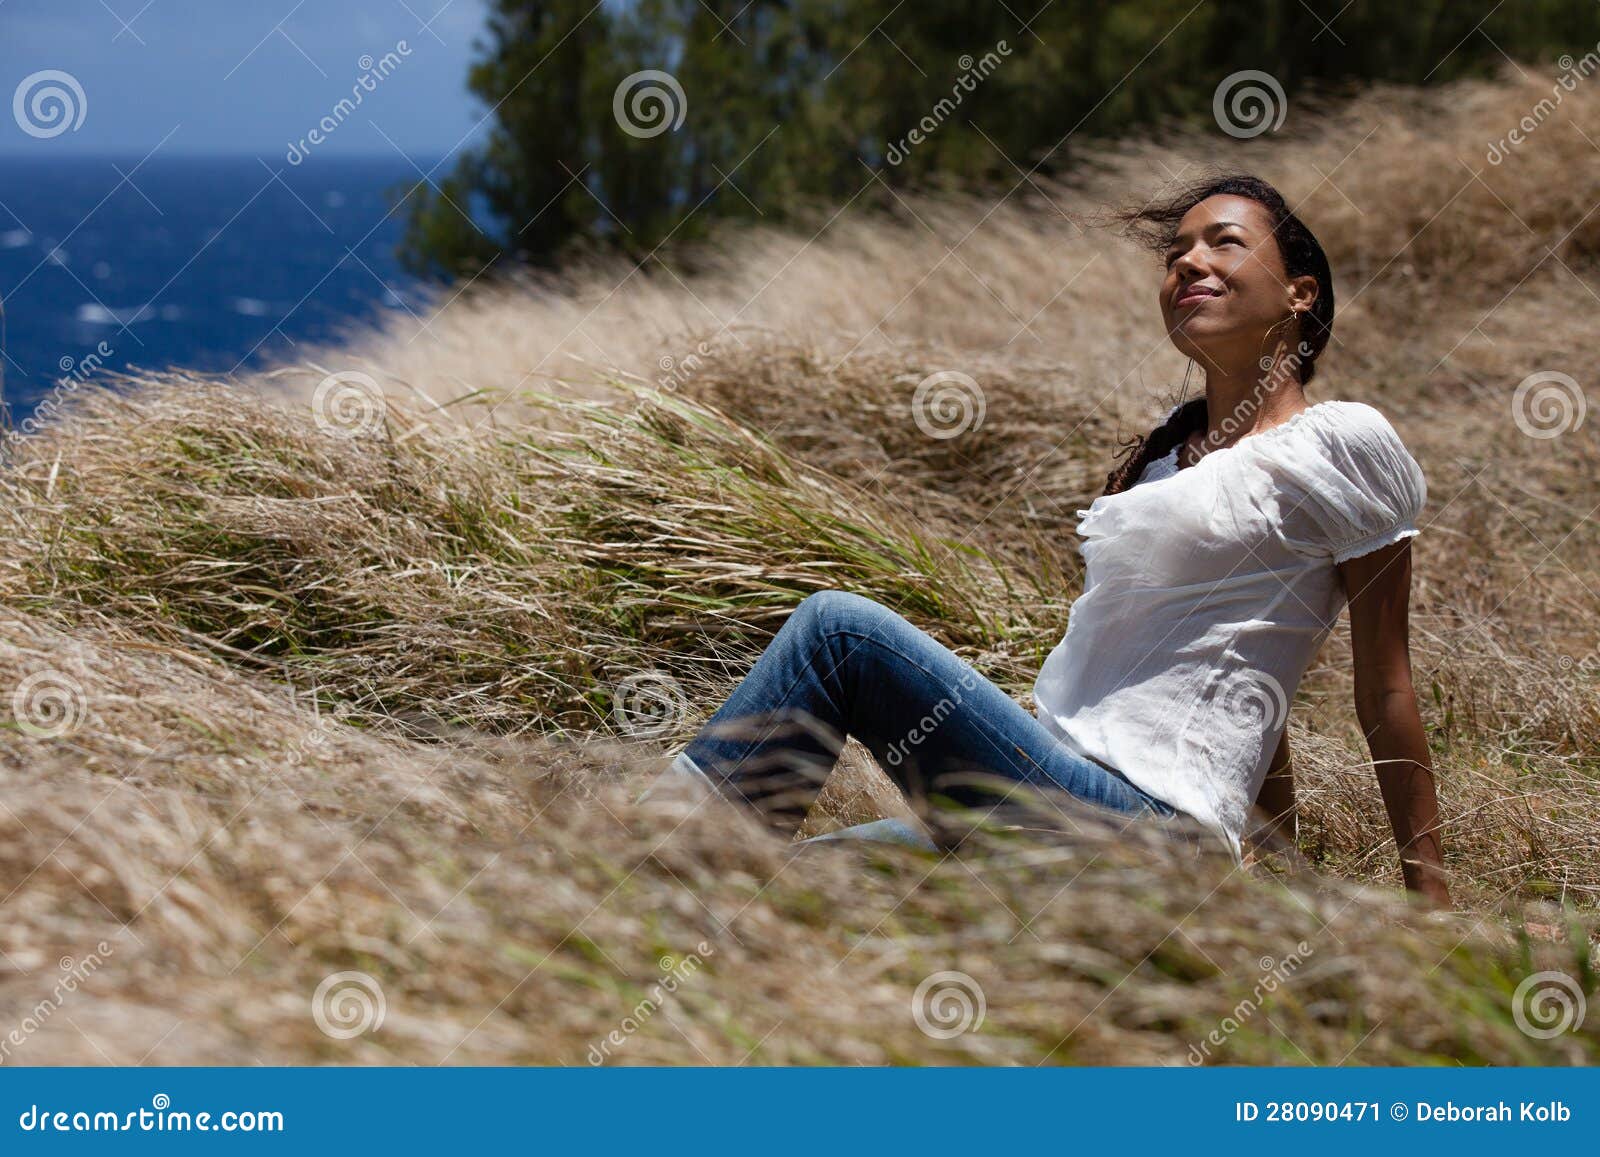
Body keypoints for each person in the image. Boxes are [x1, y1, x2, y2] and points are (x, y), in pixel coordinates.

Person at [651, 174, 1451, 909]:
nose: (1189, 264)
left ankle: (655, 866)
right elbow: (1240, 687)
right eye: (1176, 255)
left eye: (1224, 243)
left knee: (841, 633)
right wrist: (1282, 875)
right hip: (1050, 791)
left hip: (1144, 832)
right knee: (790, 893)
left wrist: (1432, 909)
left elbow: (1385, 689)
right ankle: (663, 903)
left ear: (1299, 293)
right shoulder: (1161, 465)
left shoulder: (1339, 442)